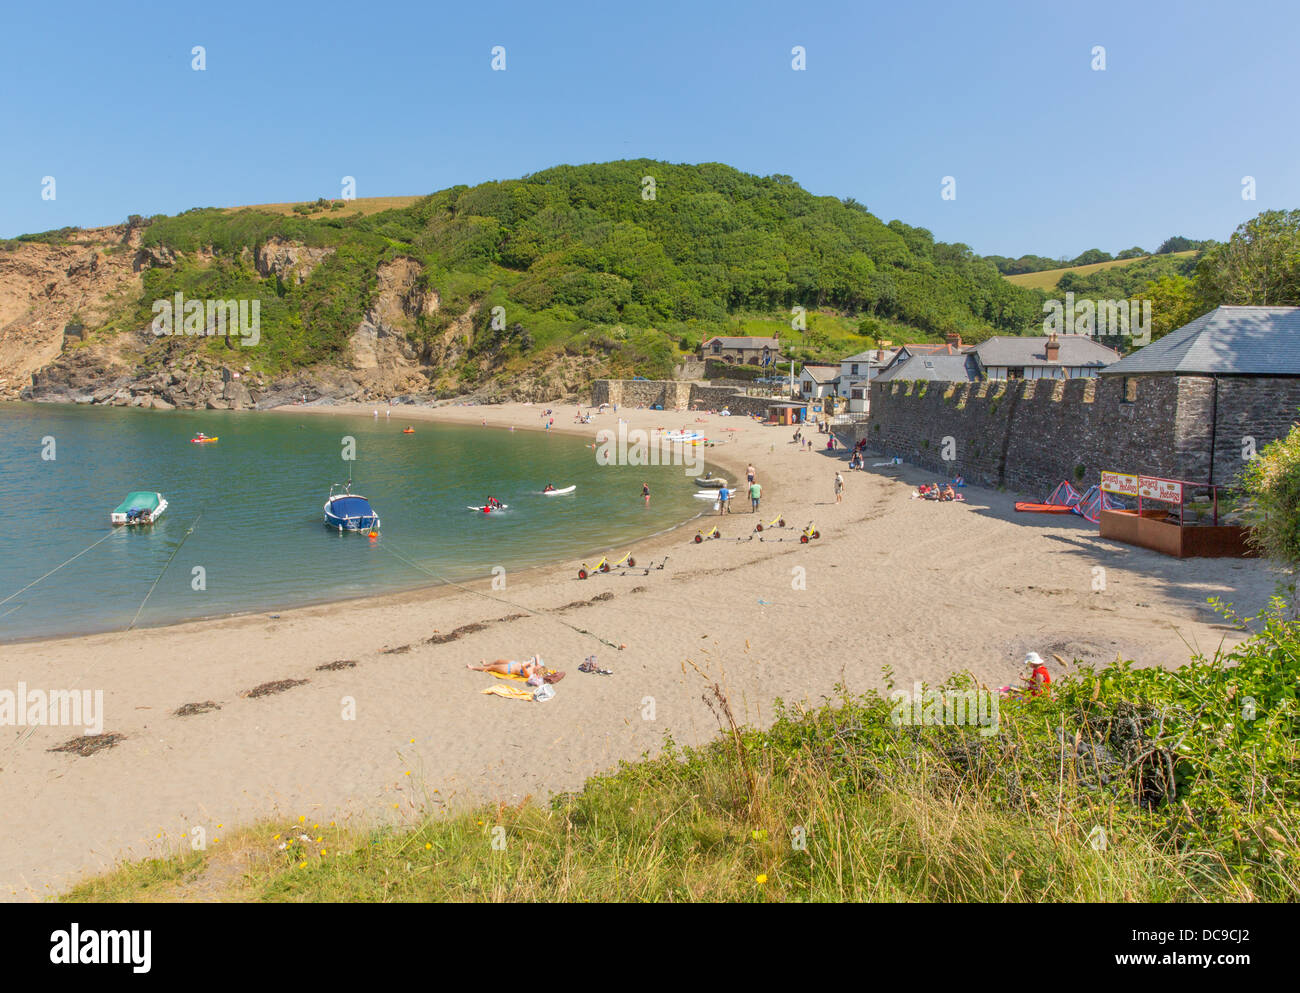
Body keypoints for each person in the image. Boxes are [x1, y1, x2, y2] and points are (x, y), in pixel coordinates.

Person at [468, 655, 545, 678]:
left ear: (537, 671)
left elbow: (523, 666)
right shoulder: (536, 667)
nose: (538, 665)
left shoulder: (529, 673)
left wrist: (530, 662)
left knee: (491, 667)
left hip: (508, 669)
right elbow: (537, 655)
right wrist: (537, 663)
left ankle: (473, 668)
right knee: (497, 661)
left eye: (538, 667)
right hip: (513, 663)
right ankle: (485, 664)